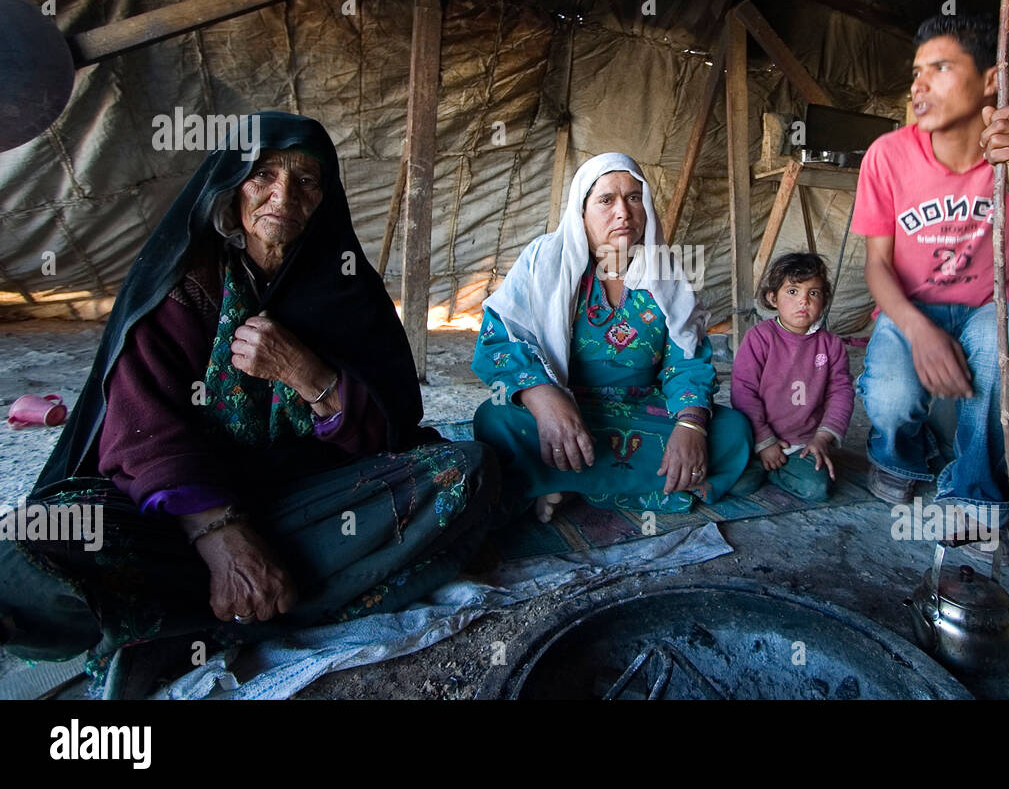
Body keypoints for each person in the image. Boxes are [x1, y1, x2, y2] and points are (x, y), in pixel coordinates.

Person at [0, 112, 497, 695]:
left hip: (306, 506)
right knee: (29, 546)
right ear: (232, 186)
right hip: (181, 518)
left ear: (325, 198)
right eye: (264, 175)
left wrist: (310, 377)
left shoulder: (347, 287)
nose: (283, 196)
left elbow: (390, 427)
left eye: (306, 181)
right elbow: (143, 429)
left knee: (464, 472)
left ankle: (183, 619)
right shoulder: (181, 284)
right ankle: (252, 598)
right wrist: (221, 535)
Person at [851, 14, 1009, 543]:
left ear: (990, 80)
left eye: (940, 68)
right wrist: (918, 331)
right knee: (892, 397)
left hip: (995, 304)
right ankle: (899, 455)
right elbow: (877, 265)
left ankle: (975, 494)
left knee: (999, 352)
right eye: (916, 72)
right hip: (912, 304)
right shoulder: (887, 155)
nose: (919, 85)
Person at [472, 152, 752, 521]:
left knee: (733, 431)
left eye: (634, 198)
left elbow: (687, 360)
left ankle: (559, 482)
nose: (623, 212)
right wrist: (544, 399)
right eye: (606, 200)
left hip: (646, 409)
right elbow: (497, 341)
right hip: (566, 406)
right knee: (495, 419)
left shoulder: (664, 271)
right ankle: (650, 482)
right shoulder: (545, 261)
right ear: (581, 212)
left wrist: (689, 424)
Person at [730, 252, 854, 501]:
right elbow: (743, 391)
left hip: (803, 443)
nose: (803, 301)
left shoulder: (831, 345)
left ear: (824, 299)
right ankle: (768, 465)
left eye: (813, 293)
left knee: (816, 489)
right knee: (736, 486)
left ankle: (781, 469)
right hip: (756, 438)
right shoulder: (760, 337)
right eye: (793, 291)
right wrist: (765, 441)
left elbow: (841, 394)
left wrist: (822, 438)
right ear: (772, 298)